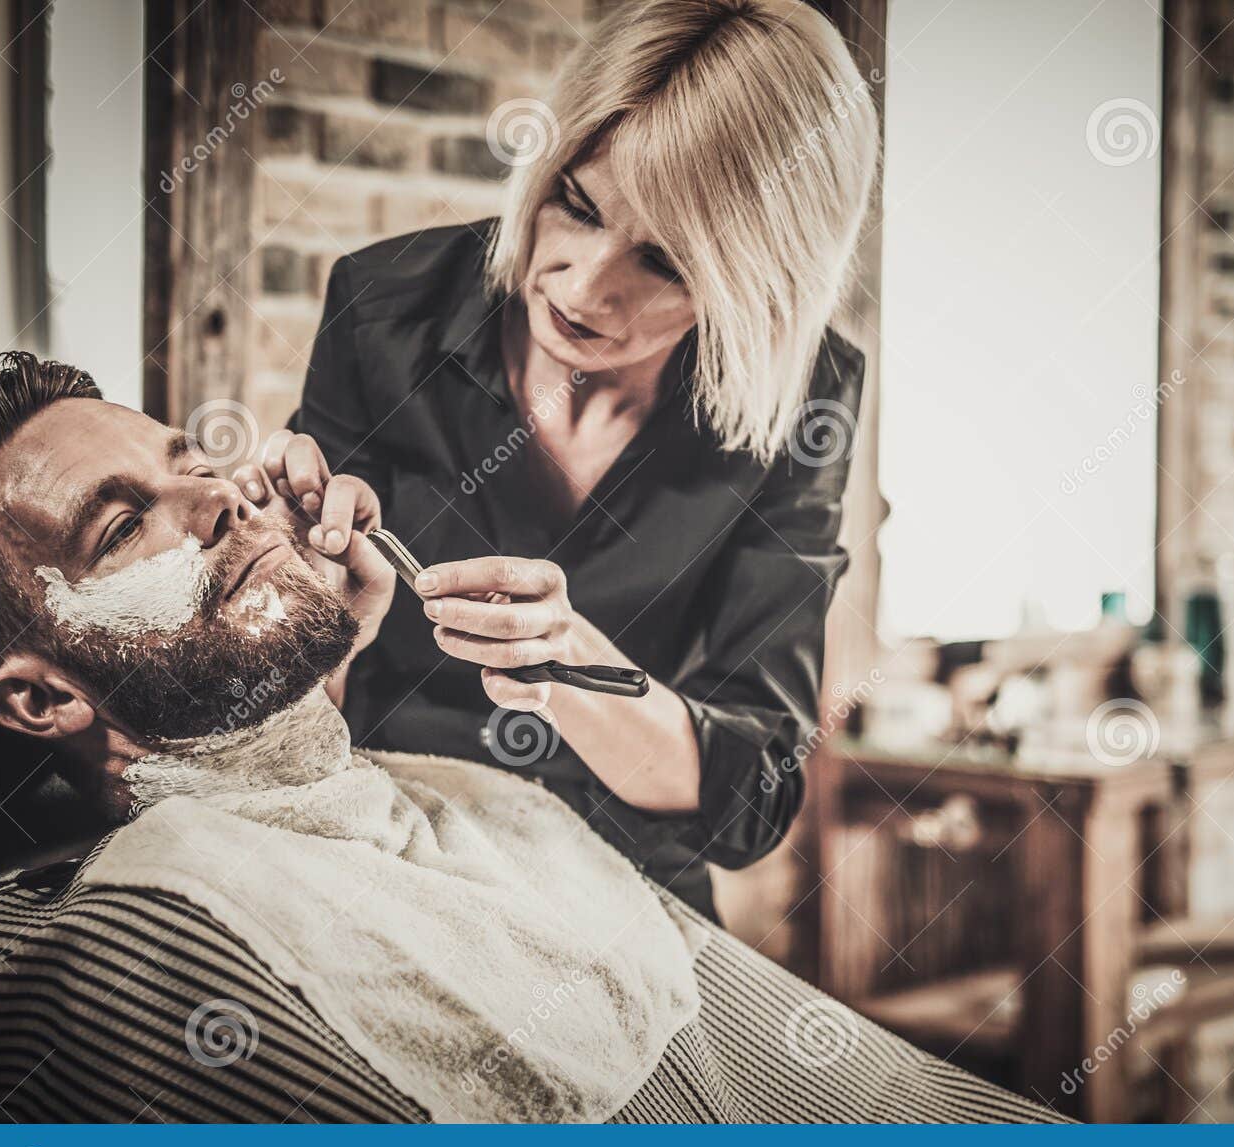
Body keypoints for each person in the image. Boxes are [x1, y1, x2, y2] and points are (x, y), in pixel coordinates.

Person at [0, 354, 1063, 1126]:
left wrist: (321, 639)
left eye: (194, 463)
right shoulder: (131, 954)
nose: (223, 498)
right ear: (38, 702)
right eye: (126, 522)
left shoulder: (464, 806)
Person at [285, 0, 879, 918]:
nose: (584, 287)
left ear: (759, 282)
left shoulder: (806, 394)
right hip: (390, 843)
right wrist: (313, 589)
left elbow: (752, 797)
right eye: (577, 204)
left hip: (626, 891)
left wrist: (572, 665)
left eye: (668, 263)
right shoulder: (382, 306)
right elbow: (289, 703)